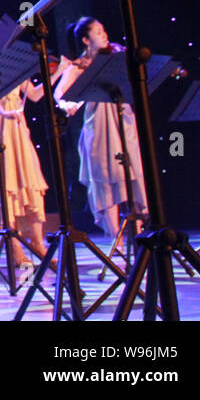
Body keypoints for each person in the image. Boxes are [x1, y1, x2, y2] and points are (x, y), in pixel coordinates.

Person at [53, 16, 147, 253]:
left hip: (123, 120)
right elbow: (60, 94)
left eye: (104, 30)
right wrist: (69, 105)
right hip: (98, 127)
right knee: (105, 179)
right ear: (85, 39)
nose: (104, 35)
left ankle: (137, 236)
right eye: (97, 32)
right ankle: (117, 241)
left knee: (131, 175)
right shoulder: (79, 66)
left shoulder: (115, 57)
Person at [0, 18, 48, 270]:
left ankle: (37, 241)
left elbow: (33, 95)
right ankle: (14, 248)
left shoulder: (14, 65)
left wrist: (55, 73)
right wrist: (4, 112)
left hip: (16, 127)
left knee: (29, 181)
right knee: (5, 184)